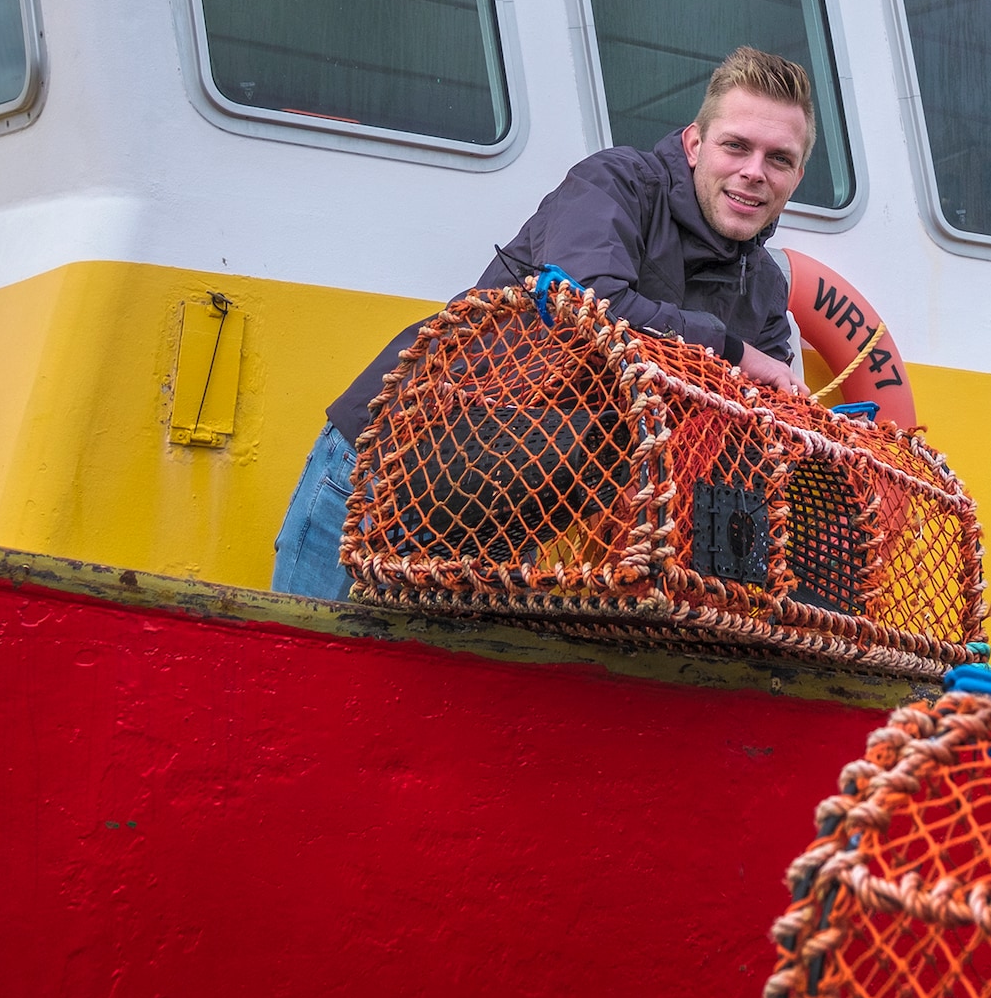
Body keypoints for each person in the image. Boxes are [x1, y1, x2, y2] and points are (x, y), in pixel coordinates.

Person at [270, 46, 814, 601]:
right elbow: (587, 302)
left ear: (796, 176)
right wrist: (732, 351)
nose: (753, 171)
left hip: (512, 516)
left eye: (779, 158)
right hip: (396, 467)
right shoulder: (618, 183)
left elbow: (758, 430)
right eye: (736, 145)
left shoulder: (766, 286)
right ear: (695, 144)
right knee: (305, 666)